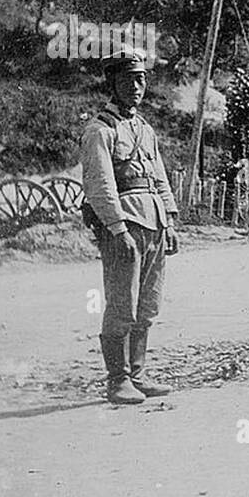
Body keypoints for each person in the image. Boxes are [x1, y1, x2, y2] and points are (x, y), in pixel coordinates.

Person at [80, 49, 180, 404]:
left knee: (148, 305)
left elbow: (159, 177)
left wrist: (169, 220)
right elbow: (100, 184)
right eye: (128, 79)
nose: (136, 86)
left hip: (152, 221)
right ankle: (117, 380)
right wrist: (118, 228)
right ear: (112, 83)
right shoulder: (99, 130)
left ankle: (137, 374)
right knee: (123, 304)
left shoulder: (144, 128)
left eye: (140, 79)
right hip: (125, 224)